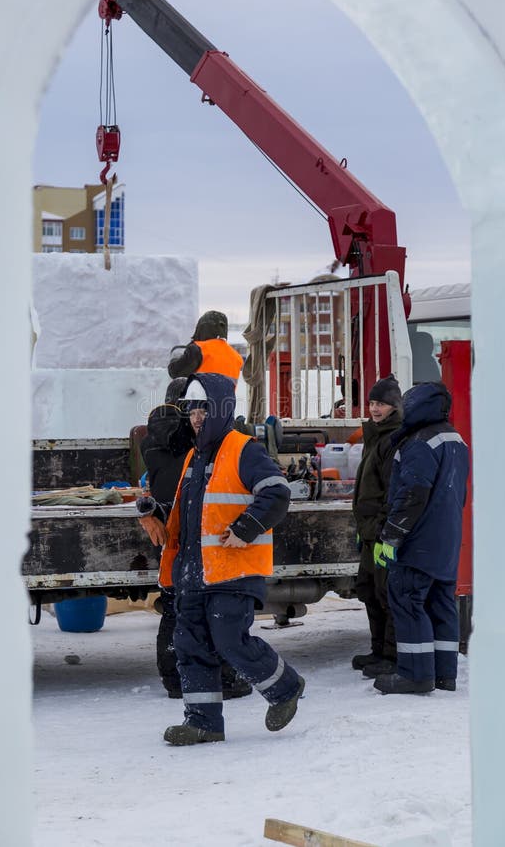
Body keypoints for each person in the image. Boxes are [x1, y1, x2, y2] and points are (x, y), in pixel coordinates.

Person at [150, 372, 304, 745]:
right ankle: (203, 722)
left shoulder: (244, 449)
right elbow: (193, 514)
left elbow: (277, 492)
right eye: (191, 410)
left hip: (233, 571)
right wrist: (153, 509)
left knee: (229, 640)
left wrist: (245, 527)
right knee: (191, 645)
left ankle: (285, 687)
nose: (196, 417)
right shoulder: (193, 456)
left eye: (203, 409)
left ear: (221, 409)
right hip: (195, 573)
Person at [138, 378, 251, 701]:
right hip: (199, 532)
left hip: (170, 531)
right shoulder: (197, 443)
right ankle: (224, 677)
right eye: (195, 407)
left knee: (175, 607)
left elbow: (152, 482)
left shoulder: (153, 440)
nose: (199, 415)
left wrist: (146, 509)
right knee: (209, 609)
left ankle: (174, 678)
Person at [371, 381, 469, 695]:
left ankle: (415, 674)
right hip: (448, 537)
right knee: (441, 604)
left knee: (408, 601)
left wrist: (390, 537)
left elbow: (412, 494)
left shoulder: (419, 442)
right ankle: (444, 674)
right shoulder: (455, 439)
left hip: (419, 540)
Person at [351, 375, 403, 679]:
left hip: (381, 531)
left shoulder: (393, 438)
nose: (374, 408)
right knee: (369, 591)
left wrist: (383, 526)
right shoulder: (375, 437)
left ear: (394, 406)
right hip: (369, 530)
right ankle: (378, 650)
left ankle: (392, 655)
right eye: (372, 402)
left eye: (380, 403)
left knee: (387, 594)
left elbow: (391, 490)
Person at [167, 310, 244, 384]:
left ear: (201, 328)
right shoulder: (237, 357)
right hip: (227, 397)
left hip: (198, 397)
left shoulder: (197, 349)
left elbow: (175, 372)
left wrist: (175, 359)